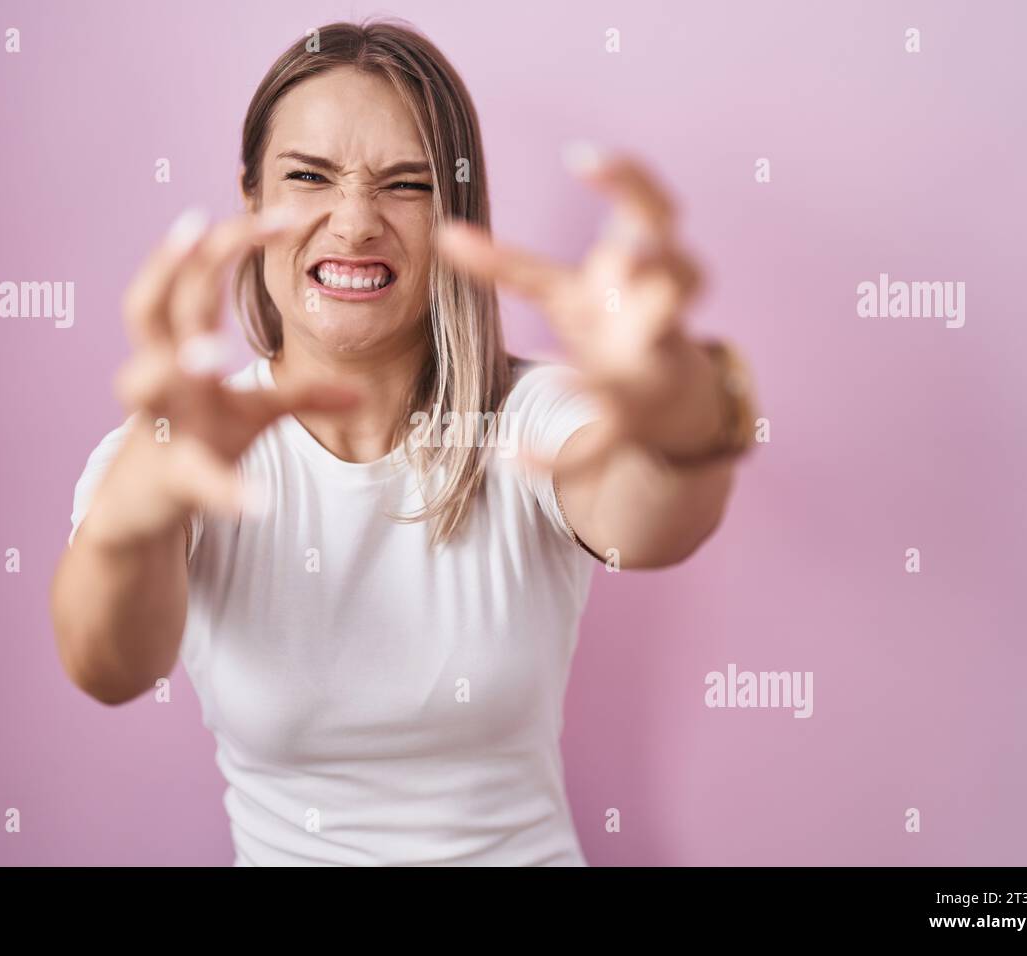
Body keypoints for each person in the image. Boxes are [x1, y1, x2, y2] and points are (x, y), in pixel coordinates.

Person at [50, 19, 757, 866]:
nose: (354, 225)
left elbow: (656, 523)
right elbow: (109, 667)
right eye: (309, 177)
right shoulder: (176, 452)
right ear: (251, 201)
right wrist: (132, 523)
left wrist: (679, 406)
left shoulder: (530, 416)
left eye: (408, 185)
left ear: (455, 211)